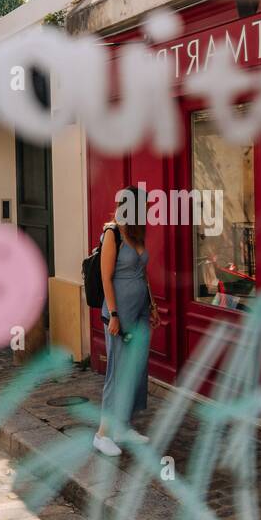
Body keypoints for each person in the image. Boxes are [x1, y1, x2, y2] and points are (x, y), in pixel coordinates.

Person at [93, 188, 160, 457]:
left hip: (141, 309)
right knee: (118, 371)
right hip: (120, 313)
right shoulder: (113, 233)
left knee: (136, 368)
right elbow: (106, 277)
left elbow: (142, 274)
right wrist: (114, 315)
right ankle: (102, 434)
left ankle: (123, 426)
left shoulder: (136, 233)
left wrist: (153, 306)